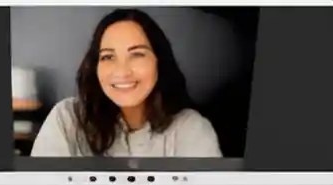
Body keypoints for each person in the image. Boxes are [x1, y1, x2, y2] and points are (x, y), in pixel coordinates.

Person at [30, 8, 223, 158]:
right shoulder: (66, 120)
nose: (122, 71)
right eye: (108, 57)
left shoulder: (191, 128)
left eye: (137, 54)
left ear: (159, 61)